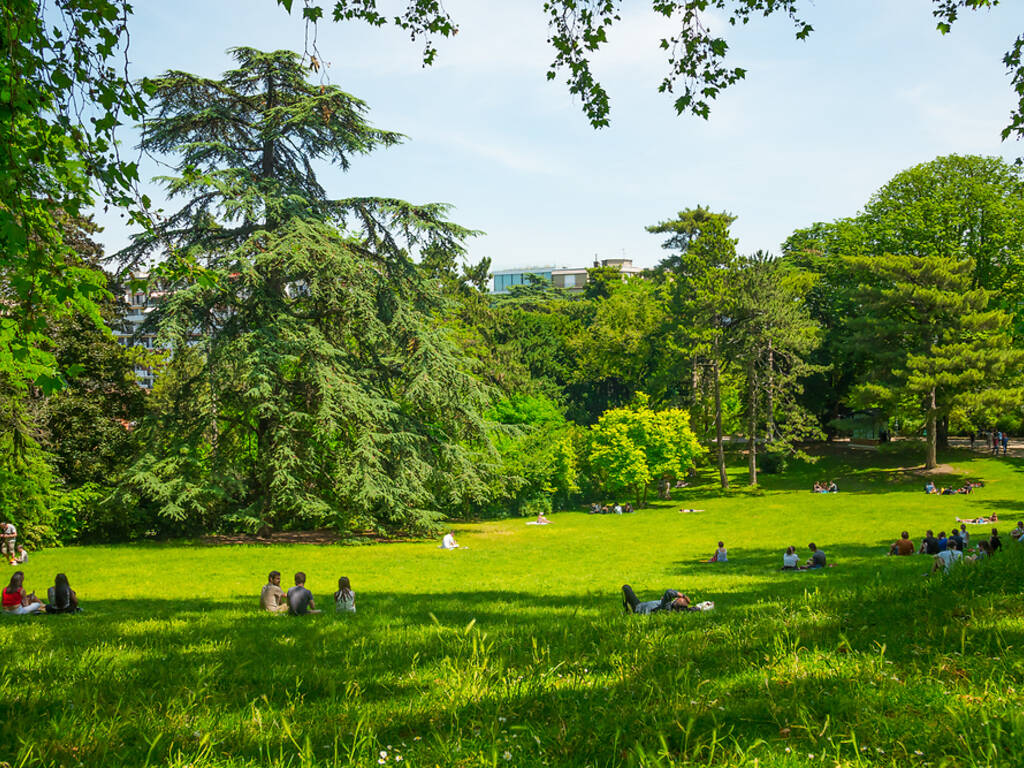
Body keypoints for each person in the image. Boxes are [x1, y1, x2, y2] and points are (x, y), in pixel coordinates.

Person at [621, 584, 712, 614]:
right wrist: (703, 606)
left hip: (638, 607)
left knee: (626, 587)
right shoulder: (668, 606)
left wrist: (683, 595)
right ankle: (627, 609)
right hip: (642, 605)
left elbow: (669, 592)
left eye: (677, 598)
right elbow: (695, 608)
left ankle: (628, 609)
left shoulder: (667, 607)